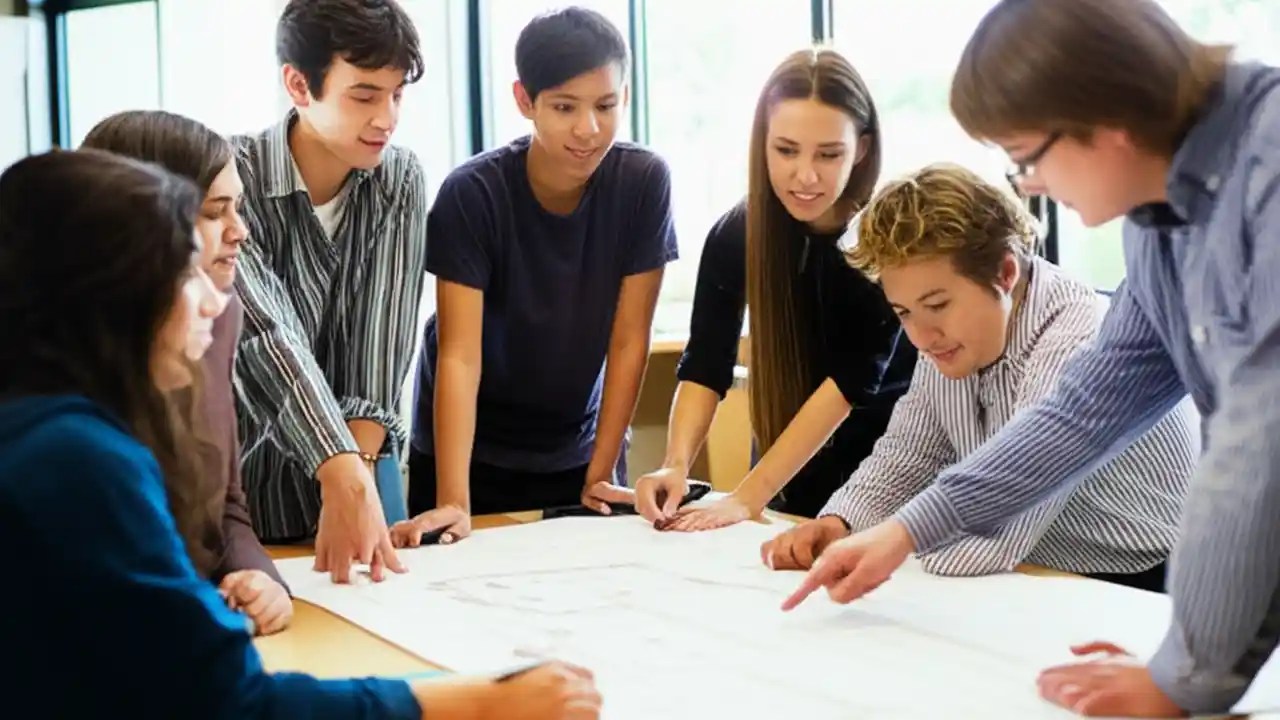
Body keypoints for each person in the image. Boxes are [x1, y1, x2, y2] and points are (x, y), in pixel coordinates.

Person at [779, 1, 1280, 717]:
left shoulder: (1267, 175)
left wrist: (1184, 674)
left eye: (1026, 156)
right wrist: (905, 527)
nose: (1030, 185)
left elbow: (1257, 451)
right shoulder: (1157, 218)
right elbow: (1082, 412)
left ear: (1104, 121)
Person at [0, 149, 601, 720]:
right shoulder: (78, 461)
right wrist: (474, 703)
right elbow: (233, 705)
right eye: (187, 271)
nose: (214, 302)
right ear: (114, 296)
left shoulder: (40, 431)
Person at [757, 163, 1196, 589]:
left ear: (1005, 273)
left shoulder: (1076, 330)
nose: (922, 337)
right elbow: (912, 451)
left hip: (1144, 578)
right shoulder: (945, 341)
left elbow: (1017, 499)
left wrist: (894, 547)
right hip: (1037, 568)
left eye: (938, 305)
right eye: (903, 312)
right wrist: (841, 523)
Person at [400, 6, 678, 544]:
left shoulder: (643, 182)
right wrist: (454, 500)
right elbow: (460, 353)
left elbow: (629, 340)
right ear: (525, 100)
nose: (588, 128)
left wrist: (601, 470)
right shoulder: (473, 194)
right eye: (564, 107)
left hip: (575, 446)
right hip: (467, 450)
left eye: (604, 105)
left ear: (625, 95)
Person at [634, 47, 915, 528]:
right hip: (789, 474)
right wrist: (675, 464)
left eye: (829, 155)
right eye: (786, 150)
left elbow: (846, 388)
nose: (805, 176)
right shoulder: (736, 234)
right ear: (762, 143)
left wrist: (747, 498)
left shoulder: (887, 238)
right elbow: (705, 364)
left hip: (890, 476)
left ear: (862, 149)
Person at [231, 0, 428, 583]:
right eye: (364, 96)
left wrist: (356, 478)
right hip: (249, 485)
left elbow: (380, 356)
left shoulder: (399, 179)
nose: (386, 119)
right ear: (298, 83)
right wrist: (340, 472)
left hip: (363, 473)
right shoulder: (228, 179)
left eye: (397, 95)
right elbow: (263, 340)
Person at [81, 109, 292, 636]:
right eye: (216, 212)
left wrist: (257, 577)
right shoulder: (63, 392)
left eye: (239, 208)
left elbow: (226, 508)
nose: (240, 231)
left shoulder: (220, 313)